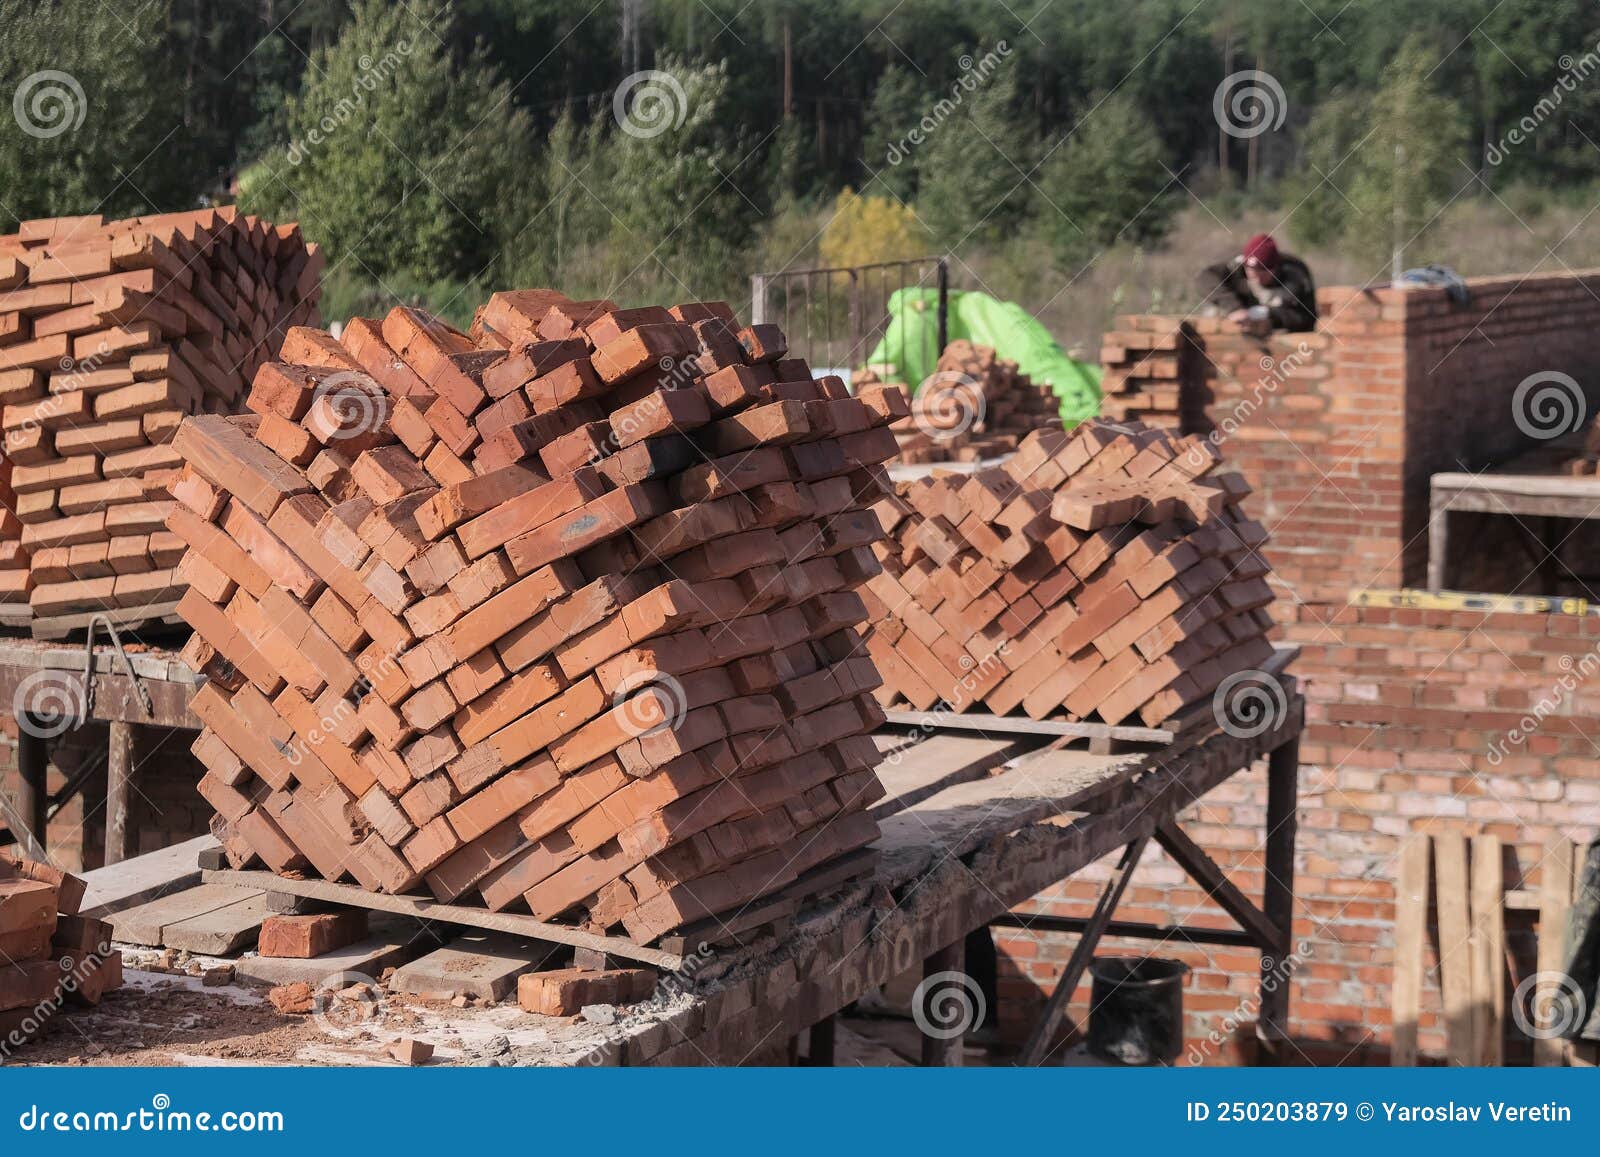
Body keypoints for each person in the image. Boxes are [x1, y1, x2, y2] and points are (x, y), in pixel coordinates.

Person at [1198, 233, 1317, 333]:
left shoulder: (1295, 272)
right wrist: (1234, 308)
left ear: (1275, 268)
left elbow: (1307, 317)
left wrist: (1270, 316)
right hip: (1239, 324)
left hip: (1282, 332)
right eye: (1251, 272)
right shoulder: (1235, 265)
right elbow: (1204, 278)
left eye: (1263, 273)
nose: (1257, 279)